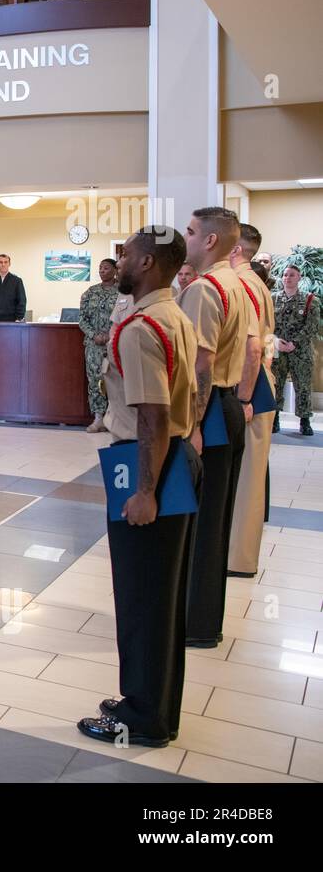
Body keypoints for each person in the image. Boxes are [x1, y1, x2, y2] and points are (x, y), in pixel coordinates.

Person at [76, 226, 199, 750]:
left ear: (147, 262)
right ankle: (155, 703)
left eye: (125, 254)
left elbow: (151, 415)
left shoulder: (140, 326)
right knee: (162, 597)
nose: (117, 261)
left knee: (142, 597)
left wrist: (145, 491)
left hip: (149, 465)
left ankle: (142, 719)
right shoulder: (176, 315)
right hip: (178, 456)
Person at [180, 207, 256, 649]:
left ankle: (194, 623)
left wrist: (191, 424)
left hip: (209, 410)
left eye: (191, 232)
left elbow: (200, 364)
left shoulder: (206, 289)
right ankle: (205, 620)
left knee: (201, 521)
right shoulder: (238, 283)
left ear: (210, 241)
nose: (185, 238)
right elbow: (250, 351)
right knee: (215, 520)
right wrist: (242, 401)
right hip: (228, 405)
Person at [226, 224, 275, 577]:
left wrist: (243, 398)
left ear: (235, 248)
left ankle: (237, 559)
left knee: (244, 481)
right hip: (256, 385)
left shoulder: (242, 284)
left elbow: (253, 348)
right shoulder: (255, 282)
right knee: (247, 477)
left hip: (250, 389)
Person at [273, 263, 319, 436]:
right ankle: (274, 418)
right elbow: (266, 324)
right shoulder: (273, 298)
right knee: (275, 384)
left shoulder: (310, 300)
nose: (287, 277)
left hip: (300, 351)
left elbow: (312, 327)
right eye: (285, 274)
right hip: (277, 349)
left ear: (299, 278)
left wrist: (294, 343)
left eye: (292, 275)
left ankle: (305, 421)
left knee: (303, 386)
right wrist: (276, 341)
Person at [79, 258, 120, 432]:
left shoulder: (124, 292)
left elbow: (126, 317)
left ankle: (116, 419)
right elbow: (82, 318)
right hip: (94, 346)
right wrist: (94, 335)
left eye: (106, 268)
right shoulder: (90, 292)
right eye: (100, 268)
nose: (102, 271)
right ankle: (98, 418)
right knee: (95, 381)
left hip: (115, 345)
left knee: (116, 382)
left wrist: (109, 335)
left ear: (115, 270)